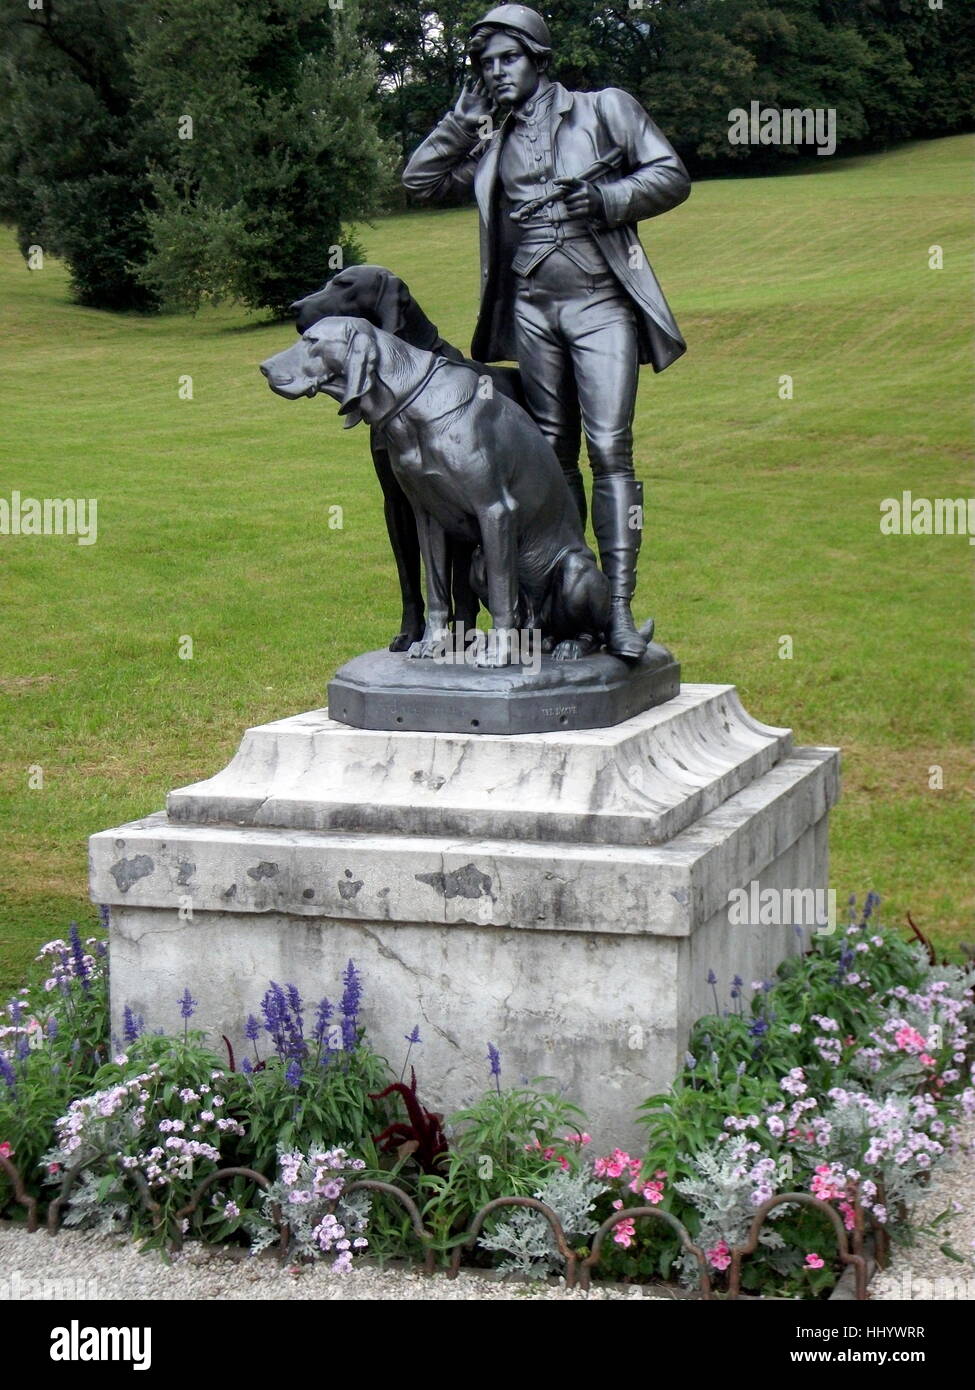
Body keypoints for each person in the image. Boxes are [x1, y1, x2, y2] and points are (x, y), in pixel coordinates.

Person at [402, 4, 690, 659]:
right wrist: (462, 119)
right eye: (486, 64)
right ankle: (559, 606)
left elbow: (670, 175)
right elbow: (419, 180)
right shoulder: (491, 141)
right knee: (550, 457)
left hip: (599, 302)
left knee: (609, 448)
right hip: (530, 309)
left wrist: (607, 199)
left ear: (539, 58)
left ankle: (616, 611)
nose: (496, 72)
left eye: (508, 58)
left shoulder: (604, 109)